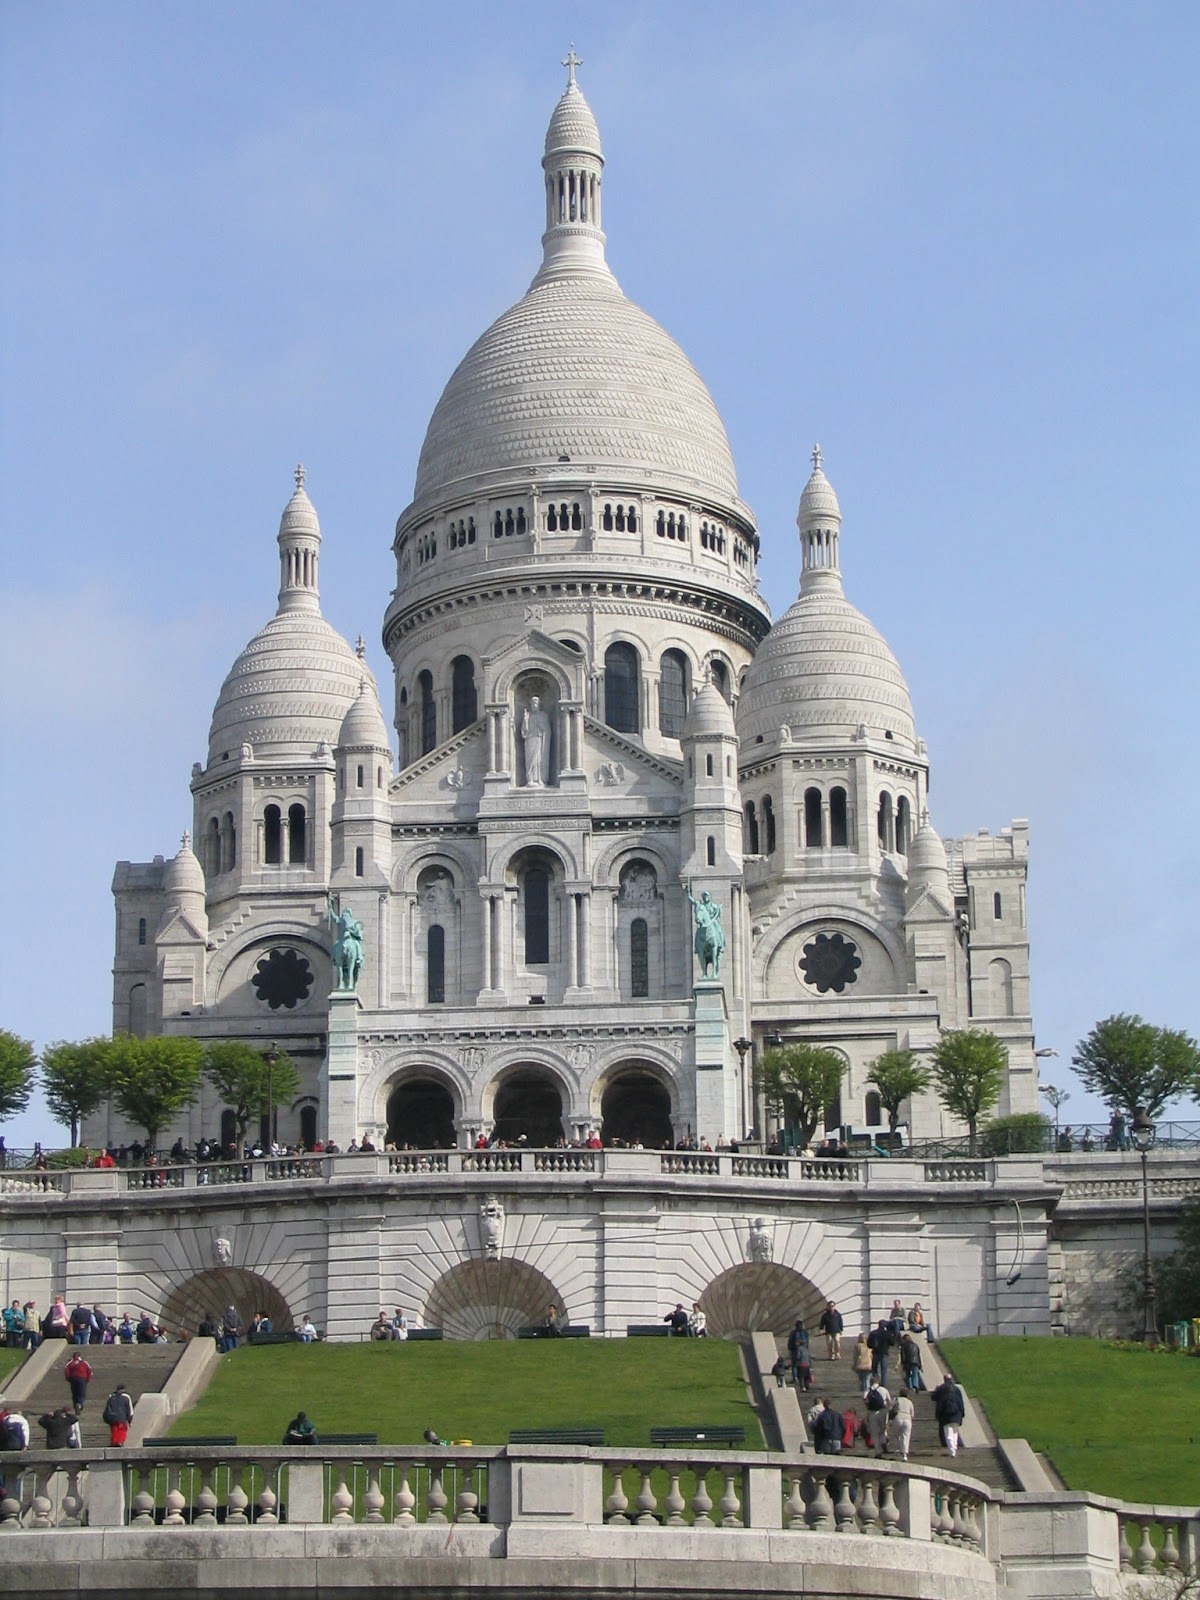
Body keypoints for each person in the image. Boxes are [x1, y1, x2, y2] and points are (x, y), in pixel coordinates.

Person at [931, 1376, 966, 1458]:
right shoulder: (957, 1389)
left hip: (945, 1415)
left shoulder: (942, 1388)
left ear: (944, 1379)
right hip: (957, 1414)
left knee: (948, 1433)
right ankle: (954, 1448)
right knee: (955, 1432)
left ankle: (952, 1451)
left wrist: (938, 1415)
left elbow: (934, 1398)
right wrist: (962, 1413)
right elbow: (960, 1402)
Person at [521, 695, 551, 787]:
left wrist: (541, 726)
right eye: (532, 703)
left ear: (539, 705)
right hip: (530, 739)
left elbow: (547, 729)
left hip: (540, 739)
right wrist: (525, 720)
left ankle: (540, 779)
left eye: (536, 703)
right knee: (530, 761)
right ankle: (530, 779)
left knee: (539, 760)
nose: (534, 705)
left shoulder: (543, 715)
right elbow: (524, 731)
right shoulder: (528, 716)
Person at [864, 1380, 892, 1456]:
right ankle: (883, 1442)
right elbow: (890, 1402)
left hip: (872, 1412)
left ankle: (878, 1451)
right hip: (882, 1411)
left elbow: (864, 1398)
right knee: (883, 1430)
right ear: (878, 1382)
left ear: (871, 1382)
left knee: (874, 1433)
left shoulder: (868, 1390)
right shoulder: (884, 1389)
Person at [64, 1350, 93, 1414]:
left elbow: (66, 1370)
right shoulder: (84, 1362)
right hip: (82, 1379)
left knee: (75, 1394)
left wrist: (68, 1378)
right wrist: (88, 1379)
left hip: (73, 1379)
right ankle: (79, 1404)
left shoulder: (70, 1363)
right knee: (81, 1393)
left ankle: (76, 1405)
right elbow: (89, 1370)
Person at [867, 1320, 893, 1387]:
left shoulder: (873, 1333)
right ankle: (883, 1385)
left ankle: (876, 1382)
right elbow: (892, 1343)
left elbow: (869, 1344)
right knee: (883, 1370)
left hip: (875, 1352)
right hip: (884, 1353)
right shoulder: (887, 1333)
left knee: (874, 1369)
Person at [787, 1320, 812, 1390]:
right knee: (803, 1366)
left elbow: (790, 1342)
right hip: (804, 1350)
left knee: (794, 1364)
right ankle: (805, 1383)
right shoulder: (805, 1332)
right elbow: (807, 1341)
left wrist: (790, 1349)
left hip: (795, 1350)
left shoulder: (793, 1332)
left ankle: (795, 1377)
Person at [893, 1387, 916, 1461]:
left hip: (898, 1418)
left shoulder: (896, 1399)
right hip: (907, 1419)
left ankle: (898, 1448)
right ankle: (904, 1455)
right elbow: (912, 1414)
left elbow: (891, 1408)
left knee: (896, 1435)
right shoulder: (909, 1402)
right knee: (906, 1437)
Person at [851, 1332, 874, 1396]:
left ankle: (862, 1389)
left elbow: (855, 1356)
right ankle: (866, 1391)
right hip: (868, 1364)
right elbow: (872, 1355)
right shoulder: (870, 1345)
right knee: (867, 1378)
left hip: (860, 1364)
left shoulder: (857, 1345)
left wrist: (854, 1365)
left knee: (861, 1378)